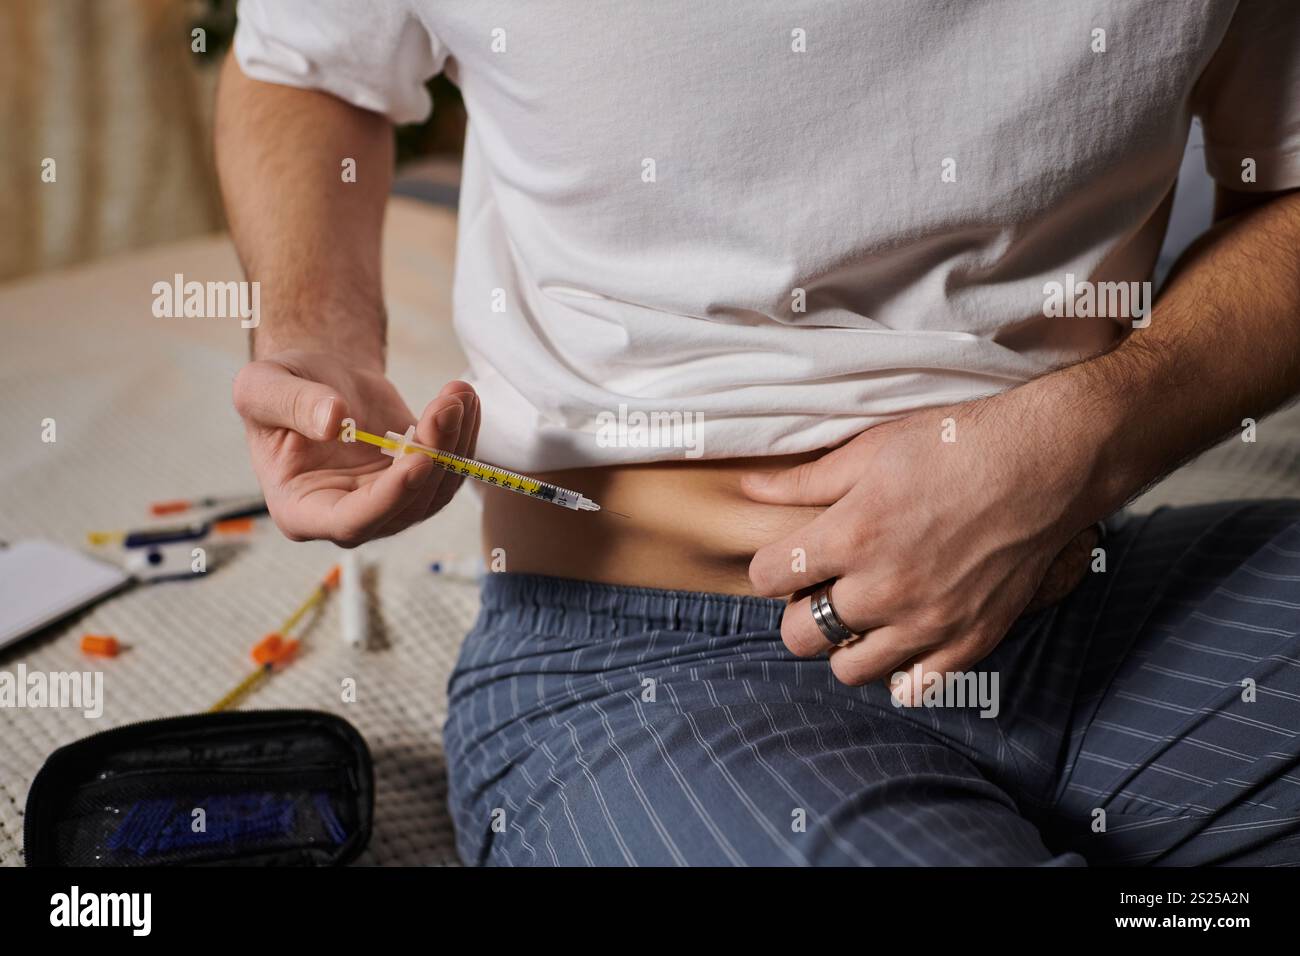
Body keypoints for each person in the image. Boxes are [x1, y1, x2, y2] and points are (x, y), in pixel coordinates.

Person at [217, 1, 1300, 865]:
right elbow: (305, 65)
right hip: (653, 664)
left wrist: (1101, 431)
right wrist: (317, 333)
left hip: (1092, 594)